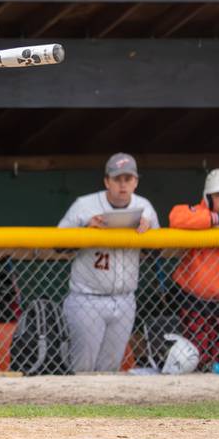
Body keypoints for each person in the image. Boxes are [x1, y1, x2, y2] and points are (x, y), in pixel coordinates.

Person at [58, 153, 159, 372]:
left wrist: (148, 232)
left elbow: (155, 253)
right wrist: (85, 231)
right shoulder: (84, 205)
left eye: (128, 179)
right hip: (87, 298)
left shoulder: (145, 207)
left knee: (109, 371)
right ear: (107, 181)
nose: (123, 185)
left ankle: (102, 408)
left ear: (136, 181)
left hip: (125, 300)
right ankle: (74, 407)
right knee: (81, 369)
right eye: (117, 179)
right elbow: (57, 245)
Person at [168, 169, 219, 370]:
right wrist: (214, 220)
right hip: (194, 302)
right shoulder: (199, 213)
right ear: (208, 198)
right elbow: (176, 217)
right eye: (218, 196)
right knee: (194, 355)